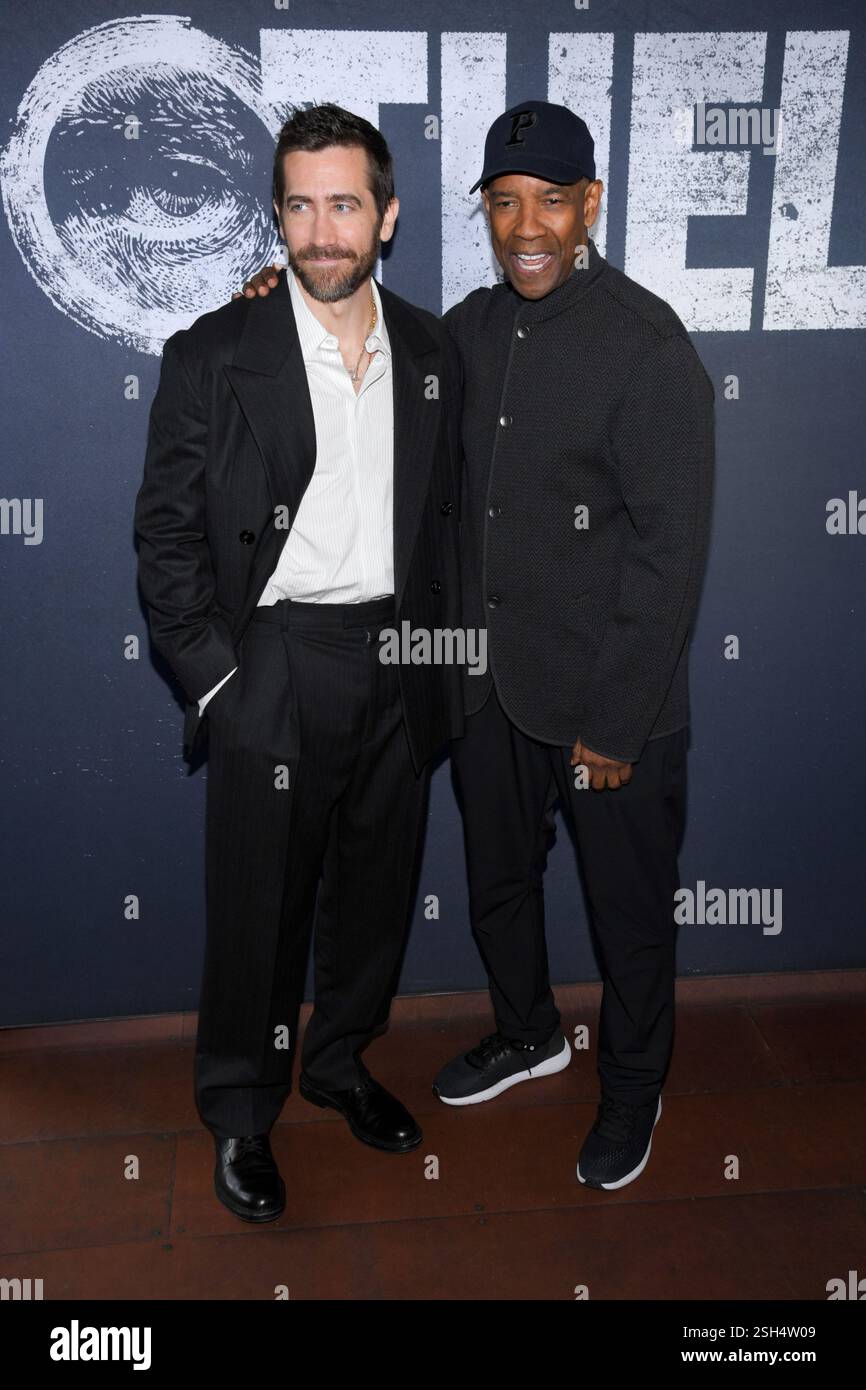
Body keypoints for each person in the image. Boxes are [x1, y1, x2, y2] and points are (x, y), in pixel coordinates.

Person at [238, 98, 715, 1192]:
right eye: (505, 204)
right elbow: (351, 336)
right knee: (498, 881)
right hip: (488, 688)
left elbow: (666, 556)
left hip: (607, 706)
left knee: (628, 917)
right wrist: (271, 300)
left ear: (589, 204)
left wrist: (614, 722)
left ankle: (630, 1091)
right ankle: (526, 1030)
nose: (528, 225)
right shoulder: (467, 330)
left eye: (552, 200)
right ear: (484, 215)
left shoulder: (646, 347)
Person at [134, 104, 464, 1223]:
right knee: (256, 914)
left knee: (374, 898)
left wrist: (444, 669)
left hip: (399, 661)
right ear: (277, 214)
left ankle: (338, 1064)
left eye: (344, 204)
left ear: (387, 216)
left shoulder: (431, 351)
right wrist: (221, 684)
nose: (321, 232)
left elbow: (450, 522)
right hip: (274, 659)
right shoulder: (216, 353)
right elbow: (166, 539)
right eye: (299, 205)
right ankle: (240, 1111)